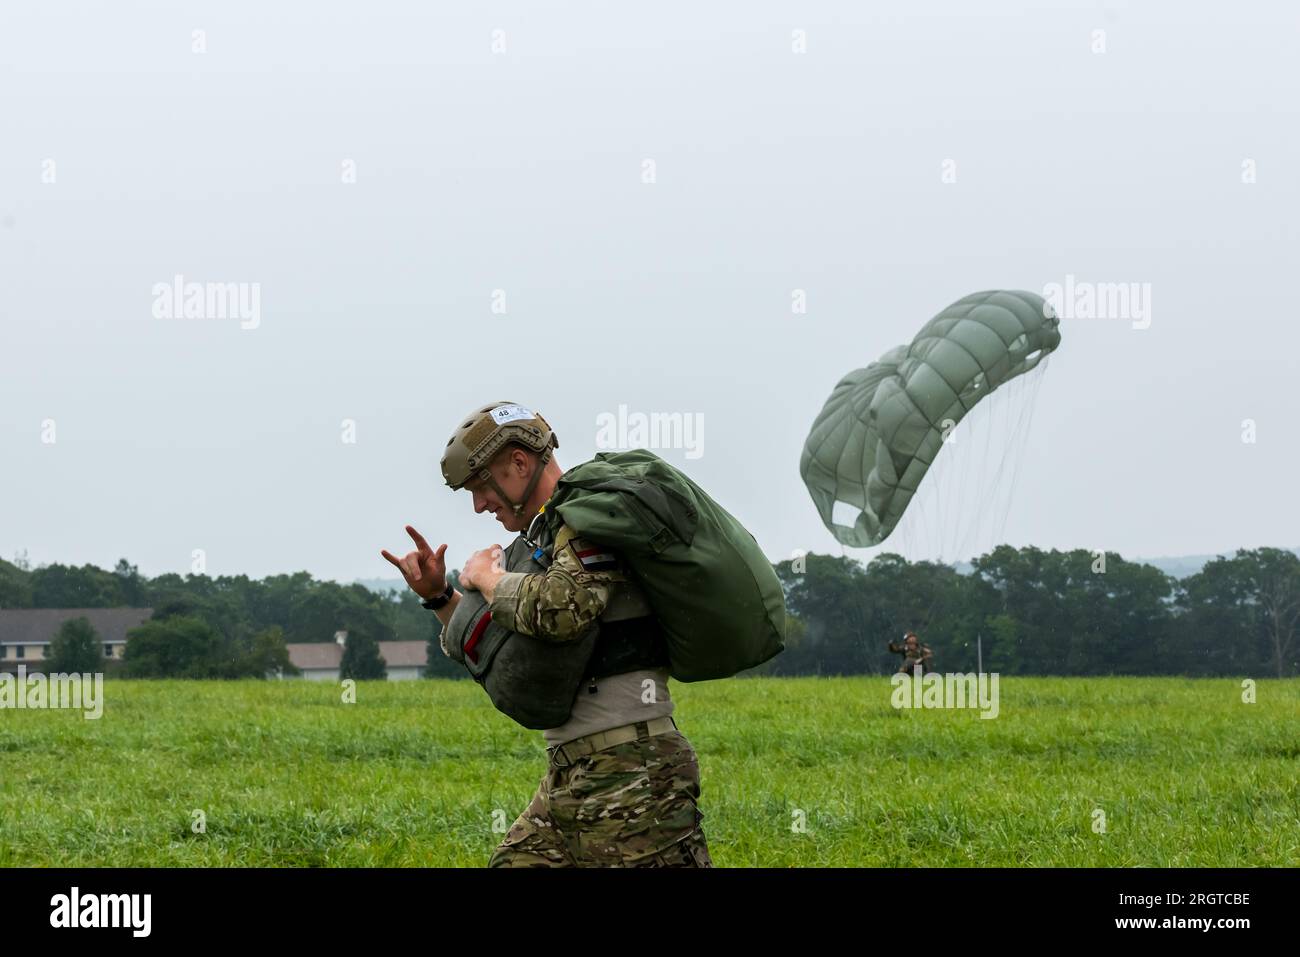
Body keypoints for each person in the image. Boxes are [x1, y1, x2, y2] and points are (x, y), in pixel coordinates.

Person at [381, 402, 712, 868]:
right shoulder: (546, 534)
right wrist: (440, 597)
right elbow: (502, 642)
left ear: (519, 462)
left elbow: (563, 610)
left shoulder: (588, 519)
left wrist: (485, 578)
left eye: (481, 487)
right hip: (574, 769)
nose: (479, 505)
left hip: (633, 769)